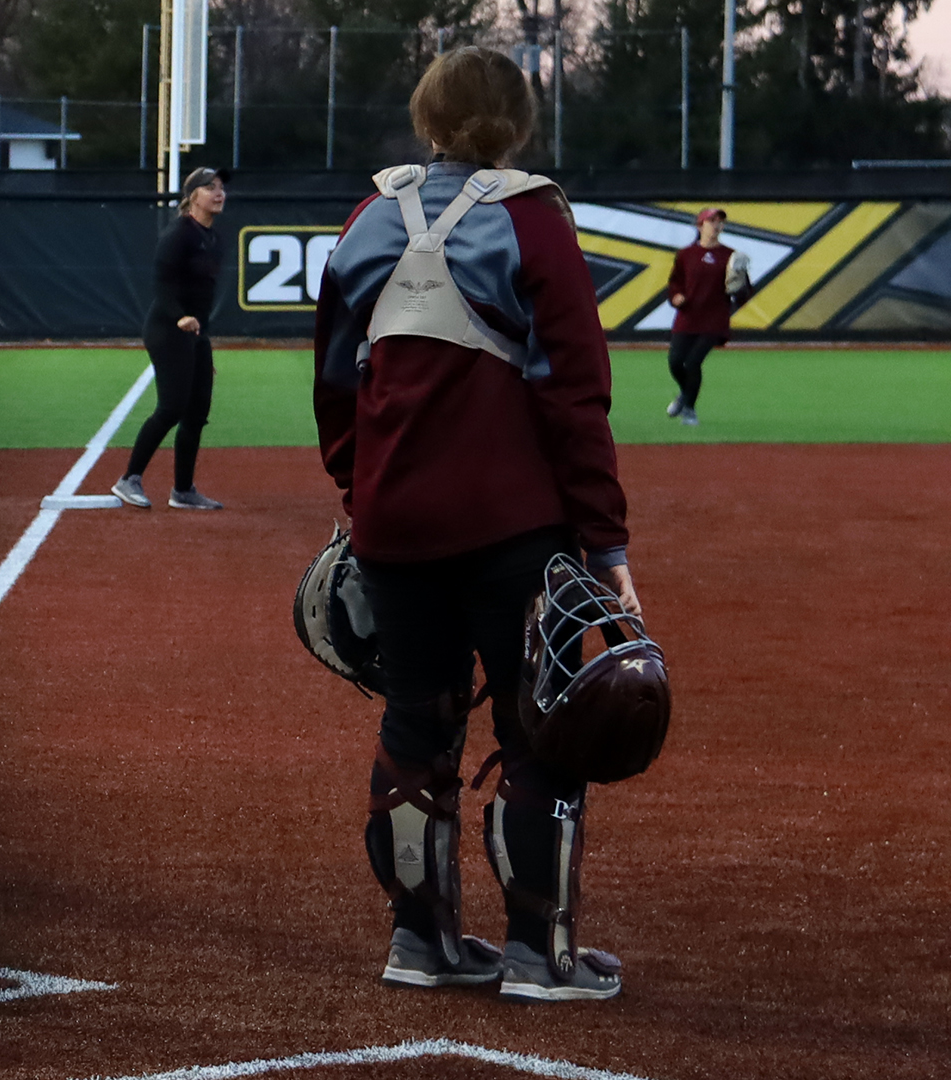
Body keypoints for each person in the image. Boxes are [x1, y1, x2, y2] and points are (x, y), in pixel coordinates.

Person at [312, 47, 642, 1002]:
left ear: (428, 116)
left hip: (394, 526)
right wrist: (606, 541)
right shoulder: (534, 222)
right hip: (513, 528)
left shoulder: (369, 219)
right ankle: (541, 955)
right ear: (516, 123)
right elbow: (575, 398)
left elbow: (335, 382)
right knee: (540, 731)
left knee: (415, 727)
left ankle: (422, 943)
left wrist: (360, 490)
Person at [113, 167, 229, 510]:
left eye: (221, 187)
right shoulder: (179, 234)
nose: (219, 193)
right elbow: (161, 284)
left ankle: (183, 490)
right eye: (210, 187)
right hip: (168, 329)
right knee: (172, 407)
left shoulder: (213, 237)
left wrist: (203, 344)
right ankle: (129, 478)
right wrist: (180, 316)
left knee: (198, 411)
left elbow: (204, 297)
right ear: (193, 196)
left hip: (196, 333)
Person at [664, 207, 752, 426]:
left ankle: (689, 410)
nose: (716, 225)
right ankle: (685, 394)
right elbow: (675, 283)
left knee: (693, 362)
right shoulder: (686, 255)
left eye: (720, 221)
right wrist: (676, 297)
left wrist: (739, 287)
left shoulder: (730, 256)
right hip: (688, 317)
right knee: (675, 362)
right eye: (711, 221)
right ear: (700, 225)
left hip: (714, 320)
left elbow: (744, 292)